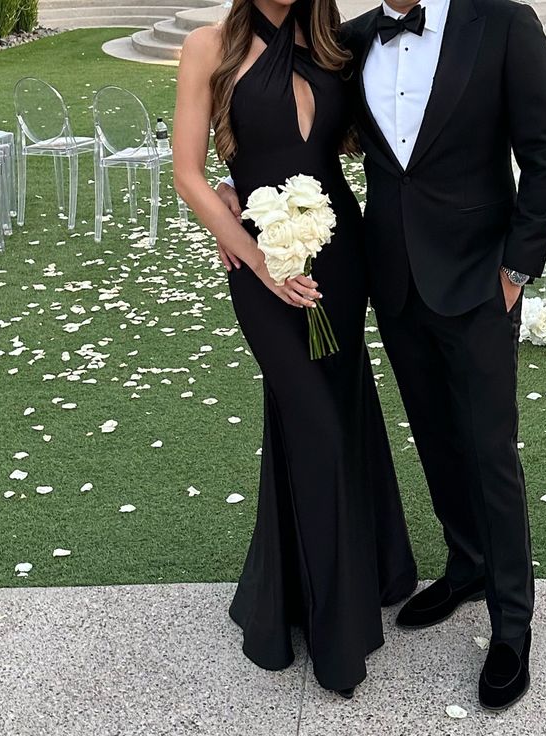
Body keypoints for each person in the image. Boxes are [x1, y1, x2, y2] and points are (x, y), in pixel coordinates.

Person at [218, 0, 546, 710]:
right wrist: (233, 189)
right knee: (435, 437)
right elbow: (287, 124)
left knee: (489, 448)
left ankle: (511, 626)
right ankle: (466, 564)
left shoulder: (503, 23)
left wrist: (514, 274)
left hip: (479, 282)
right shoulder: (345, 42)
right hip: (391, 278)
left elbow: (545, 154)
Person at [173, 0, 418, 700]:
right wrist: (249, 246)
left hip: (341, 263)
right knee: (316, 426)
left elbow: (352, 142)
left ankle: (301, 593)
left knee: (335, 411)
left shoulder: (337, 45)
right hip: (262, 268)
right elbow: (187, 170)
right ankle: (339, 636)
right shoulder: (207, 45)